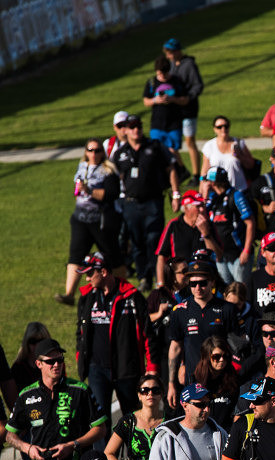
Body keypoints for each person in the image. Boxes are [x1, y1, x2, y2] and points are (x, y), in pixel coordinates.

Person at [109, 114, 180, 289]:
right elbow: (111, 175)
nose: (136, 130)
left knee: (154, 239)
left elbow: (171, 168)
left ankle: (159, 277)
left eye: (138, 126)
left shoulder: (155, 147)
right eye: (132, 127)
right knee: (136, 241)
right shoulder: (120, 153)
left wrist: (176, 194)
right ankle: (143, 277)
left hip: (153, 201)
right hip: (130, 203)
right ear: (125, 130)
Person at [166, 260, 241, 404]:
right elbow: (175, 347)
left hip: (222, 379)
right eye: (193, 284)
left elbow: (238, 346)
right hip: (194, 379)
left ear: (212, 282)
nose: (198, 287)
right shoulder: (180, 311)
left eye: (203, 283)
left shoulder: (227, 309)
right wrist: (171, 383)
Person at [61, 140, 124, 306]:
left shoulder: (108, 171)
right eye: (90, 150)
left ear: (102, 152)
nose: (94, 154)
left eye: (97, 150)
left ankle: (122, 289)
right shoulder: (82, 166)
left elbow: (112, 194)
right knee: (75, 254)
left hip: (100, 221)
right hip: (81, 219)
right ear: (86, 152)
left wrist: (88, 190)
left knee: (111, 254)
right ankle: (69, 294)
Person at [203, 166, 255, 285]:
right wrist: (205, 197)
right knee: (225, 293)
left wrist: (246, 250)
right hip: (221, 256)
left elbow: (250, 222)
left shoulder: (236, 196)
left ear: (213, 182)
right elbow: (202, 218)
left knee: (240, 292)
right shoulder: (213, 199)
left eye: (208, 181)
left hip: (239, 255)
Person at [163, 37, 204, 178]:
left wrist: (188, 98)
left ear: (177, 51)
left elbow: (198, 85)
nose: (168, 56)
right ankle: (182, 169)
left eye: (170, 53)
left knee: (189, 142)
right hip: (175, 109)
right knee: (171, 142)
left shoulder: (189, 65)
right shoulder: (172, 65)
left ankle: (196, 174)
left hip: (188, 110)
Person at [199, 115, 256, 193]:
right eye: (219, 127)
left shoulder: (239, 143)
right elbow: (204, 171)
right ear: (214, 129)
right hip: (218, 192)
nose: (223, 129)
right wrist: (202, 191)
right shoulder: (209, 146)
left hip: (239, 190)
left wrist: (239, 156)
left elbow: (251, 165)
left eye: (226, 126)